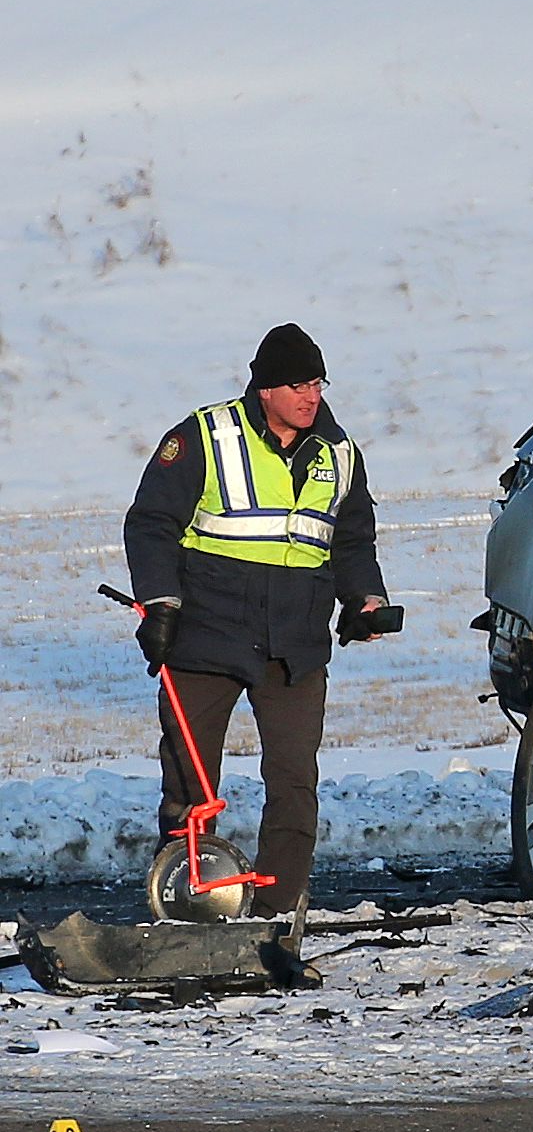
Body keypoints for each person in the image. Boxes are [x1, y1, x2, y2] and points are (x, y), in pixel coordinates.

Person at [123, 324, 388, 916]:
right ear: (265, 389)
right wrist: (160, 603)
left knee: (295, 786)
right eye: (298, 383)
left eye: (317, 382)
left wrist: (366, 600)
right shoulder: (203, 436)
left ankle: (277, 913)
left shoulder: (340, 453)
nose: (311, 395)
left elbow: (351, 542)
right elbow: (151, 524)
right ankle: (189, 905)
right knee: (192, 786)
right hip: (205, 637)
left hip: (295, 645)